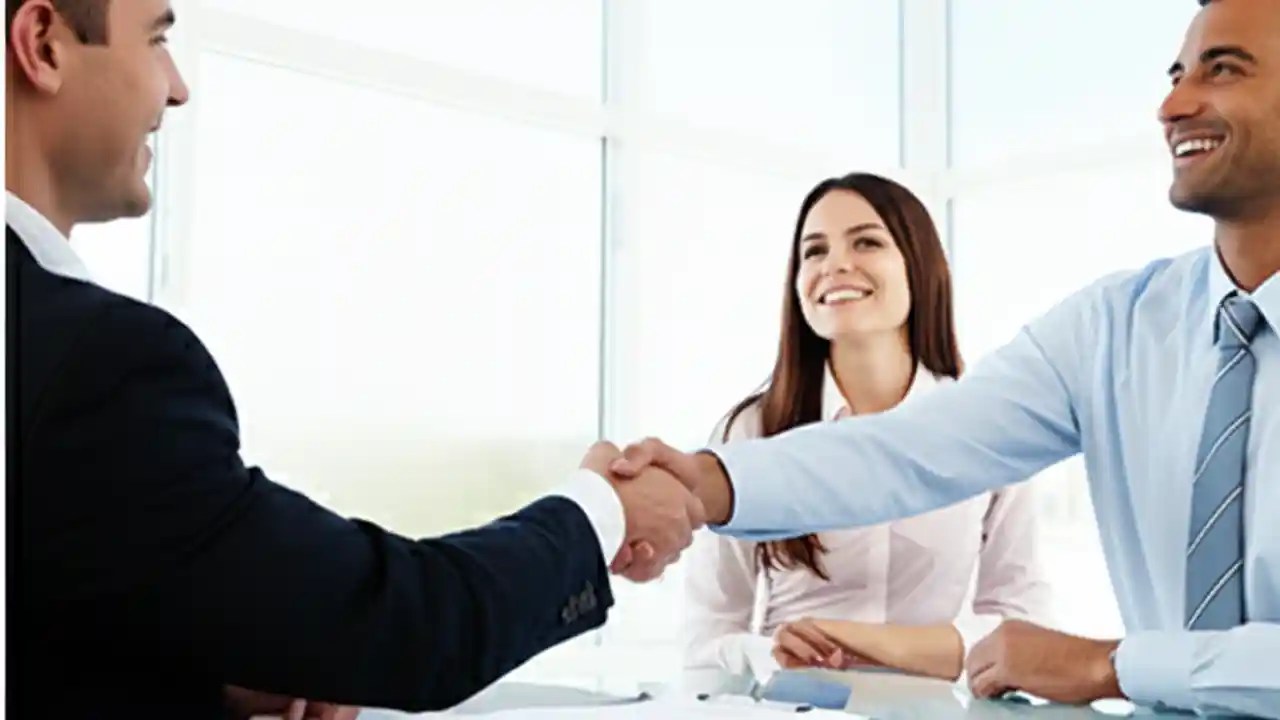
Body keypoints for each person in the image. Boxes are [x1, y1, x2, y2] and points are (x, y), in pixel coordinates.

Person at [6, 1, 703, 717]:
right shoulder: (96, 363)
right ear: (43, 46)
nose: (177, 86)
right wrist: (604, 513)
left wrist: (221, 668)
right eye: (156, 39)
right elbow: (407, 627)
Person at [611, 0, 1279, 716]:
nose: (1172, 106)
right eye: (1176, 75)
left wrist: (1113, 665)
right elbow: (910, 449)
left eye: (1223, 70)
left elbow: (1021, 611)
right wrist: (699, 485)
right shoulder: (1114, 328)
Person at [683, 173, 1049, 684]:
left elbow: (1022, 627)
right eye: (814, 251)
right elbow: (706, 639)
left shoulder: (984, 426)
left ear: (918, 268)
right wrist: (774, 652)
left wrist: (860, 643)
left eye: (866, 242)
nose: (834, 265)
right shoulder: (752, 429)